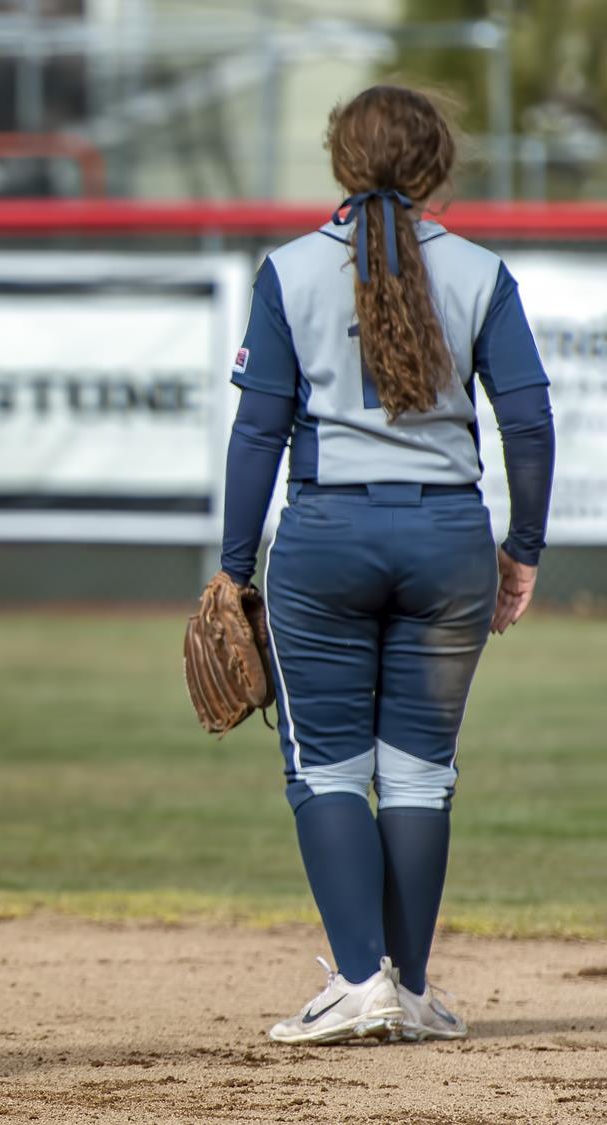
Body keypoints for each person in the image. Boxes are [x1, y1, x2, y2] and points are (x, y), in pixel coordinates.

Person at [218, 84, 554, 1046]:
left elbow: (258, 432)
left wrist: (234, 570)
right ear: (438, 164)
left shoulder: (290, 268)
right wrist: (520, 552)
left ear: (340, 162)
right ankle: (406, 988)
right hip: (450, 542)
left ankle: (362, 979)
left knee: (326, 768)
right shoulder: (483, 271)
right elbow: (527, 422)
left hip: (326, 540)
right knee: (419, 776)